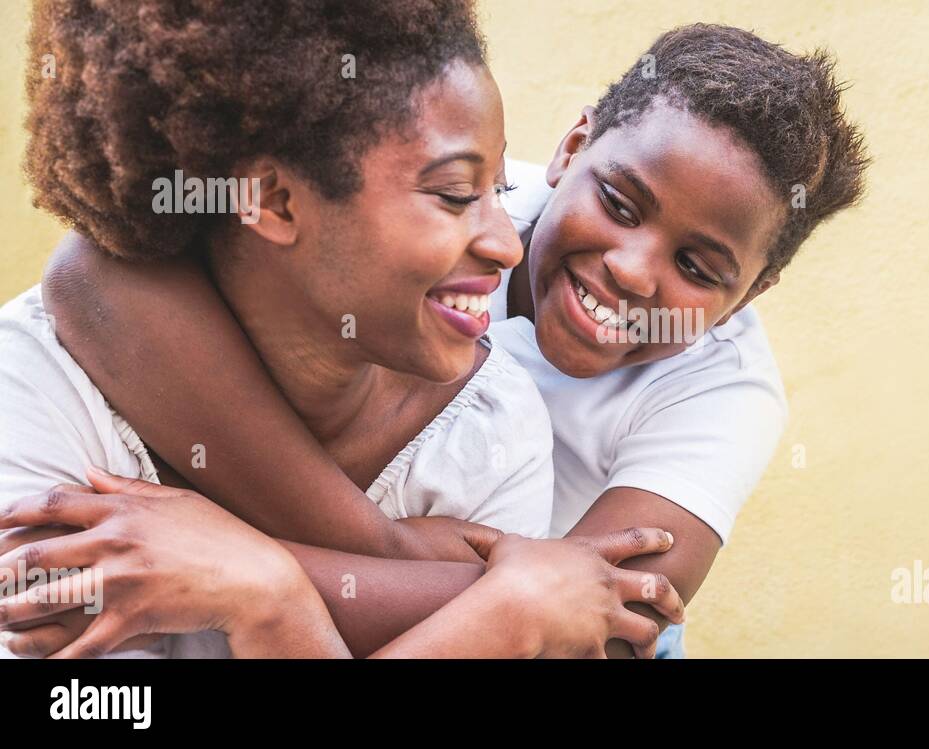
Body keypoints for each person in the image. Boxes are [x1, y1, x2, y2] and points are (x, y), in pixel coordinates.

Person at [26, 23, 870, 658]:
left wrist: (252, 572)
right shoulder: (442, 187)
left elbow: (597, 618)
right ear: (571, 150)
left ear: (752, 294)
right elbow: (90, 278)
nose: (634, 270)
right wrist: (392, 554)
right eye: (619, 205)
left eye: (697, 265)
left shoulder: (700, 399)